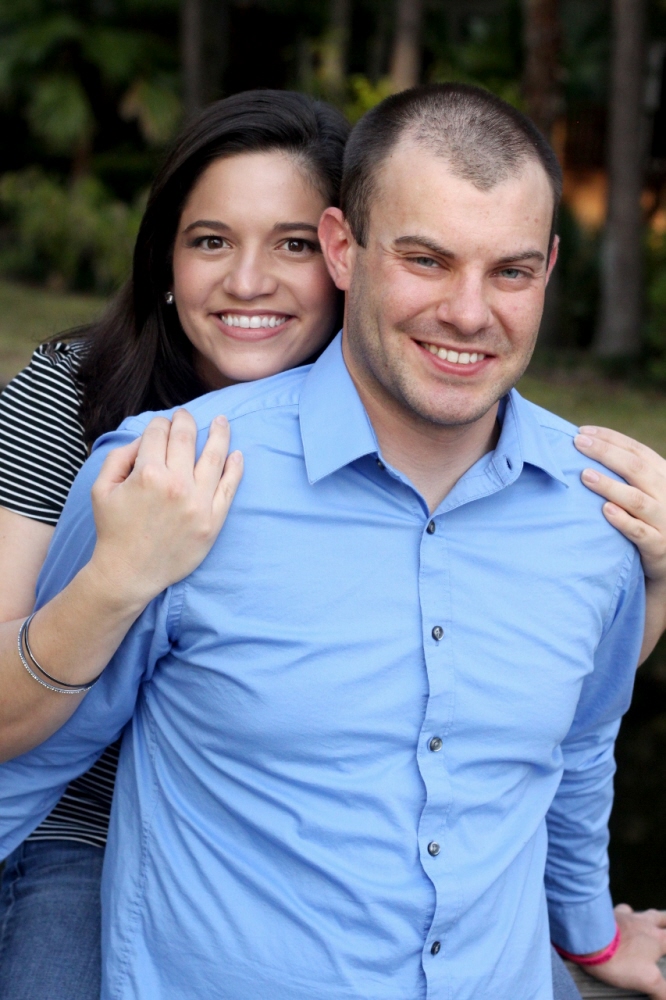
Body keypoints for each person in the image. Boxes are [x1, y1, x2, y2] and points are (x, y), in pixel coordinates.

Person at [1, 83, 666, 1000]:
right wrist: (118, 576)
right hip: (103, 860)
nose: (470, 312)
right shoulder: (159, 473)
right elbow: (26, 758)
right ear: (348, 249)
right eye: (427, 259)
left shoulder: (596, 510)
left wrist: (588, 936)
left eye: (510, 271)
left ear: (548, 269)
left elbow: (578, 741)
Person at [0, 88, 349, 1000]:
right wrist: (122, 573)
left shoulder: (388, 437)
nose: (246, 281)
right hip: (82, 825)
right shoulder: (68, 397)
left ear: (349, 258)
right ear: (164, 258)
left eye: (293, 243)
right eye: (210, 241)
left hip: (281, 834)